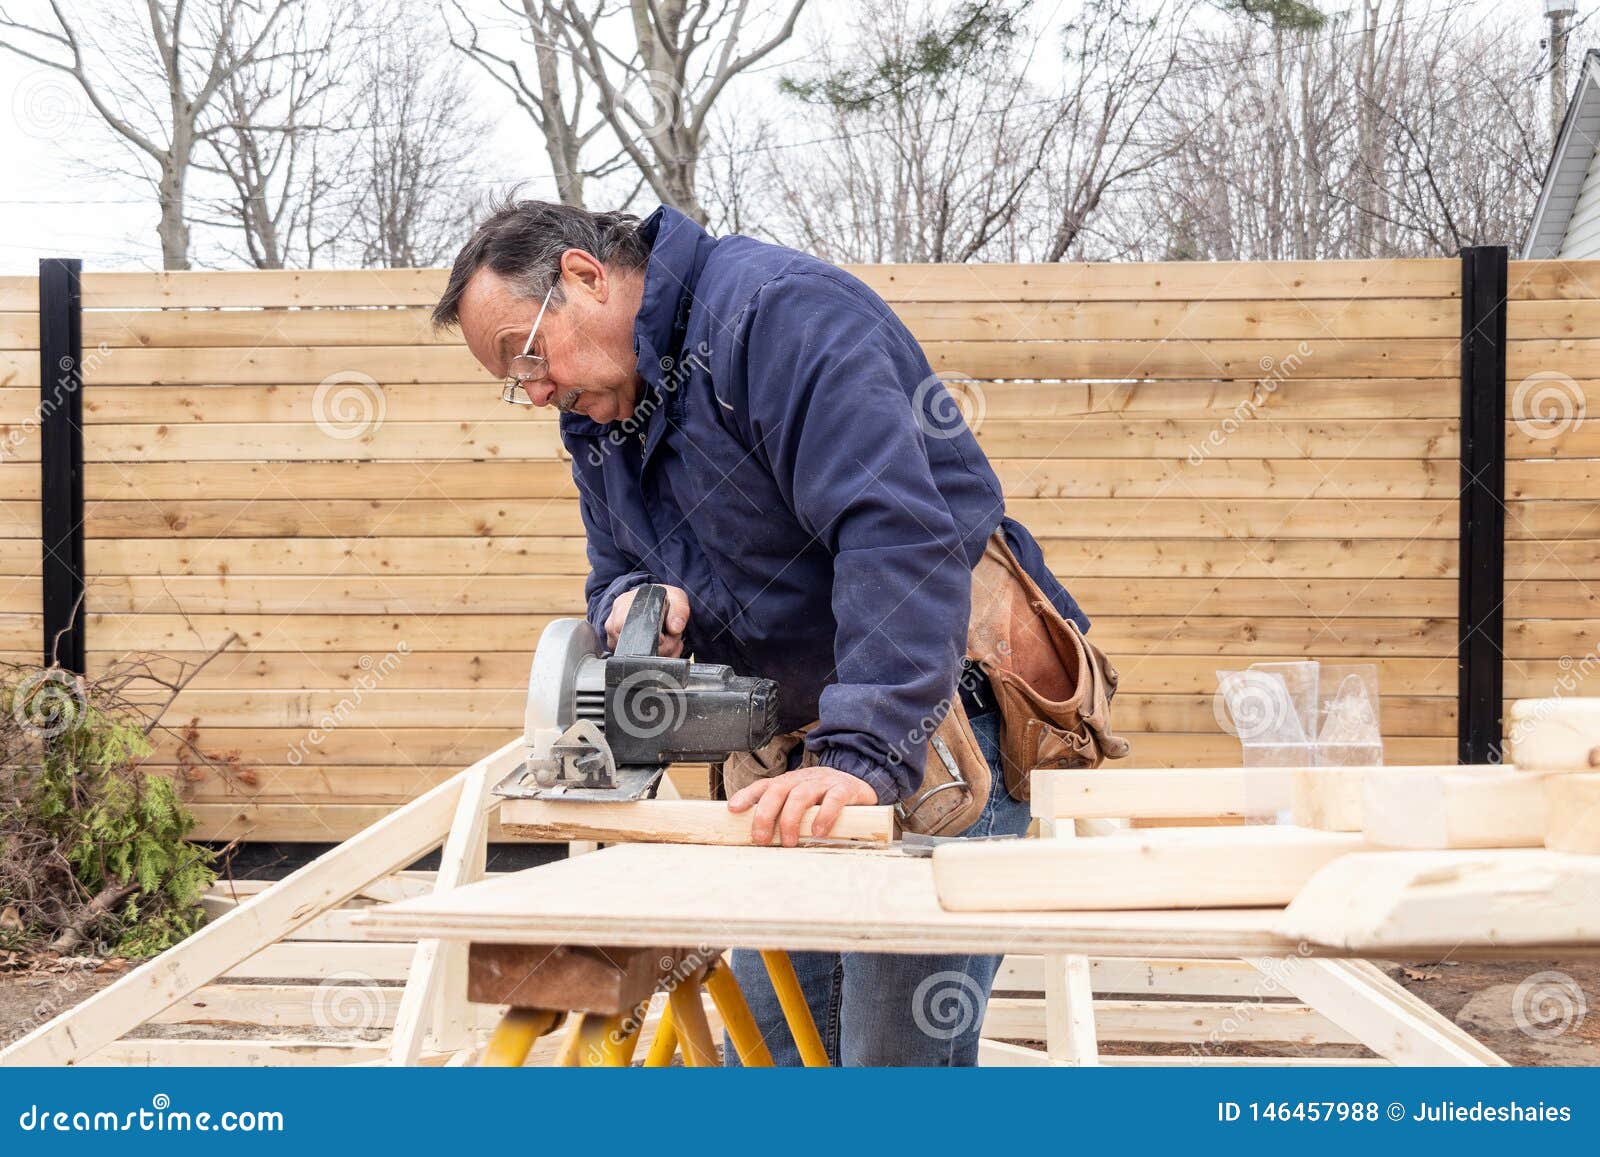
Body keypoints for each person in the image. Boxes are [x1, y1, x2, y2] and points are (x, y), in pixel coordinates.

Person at [434, 199, 1092, 1066]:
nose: (539, 390)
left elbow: (899, 533)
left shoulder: (778, 316)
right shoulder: (603, 411)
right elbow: (613, 569)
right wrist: (638, 604)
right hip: (800, 759)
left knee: (888, 1066)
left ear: (585, 278)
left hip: (930, 729)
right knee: (779, 1056)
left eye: (529, 355)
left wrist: (860, 754)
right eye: (517, 384)